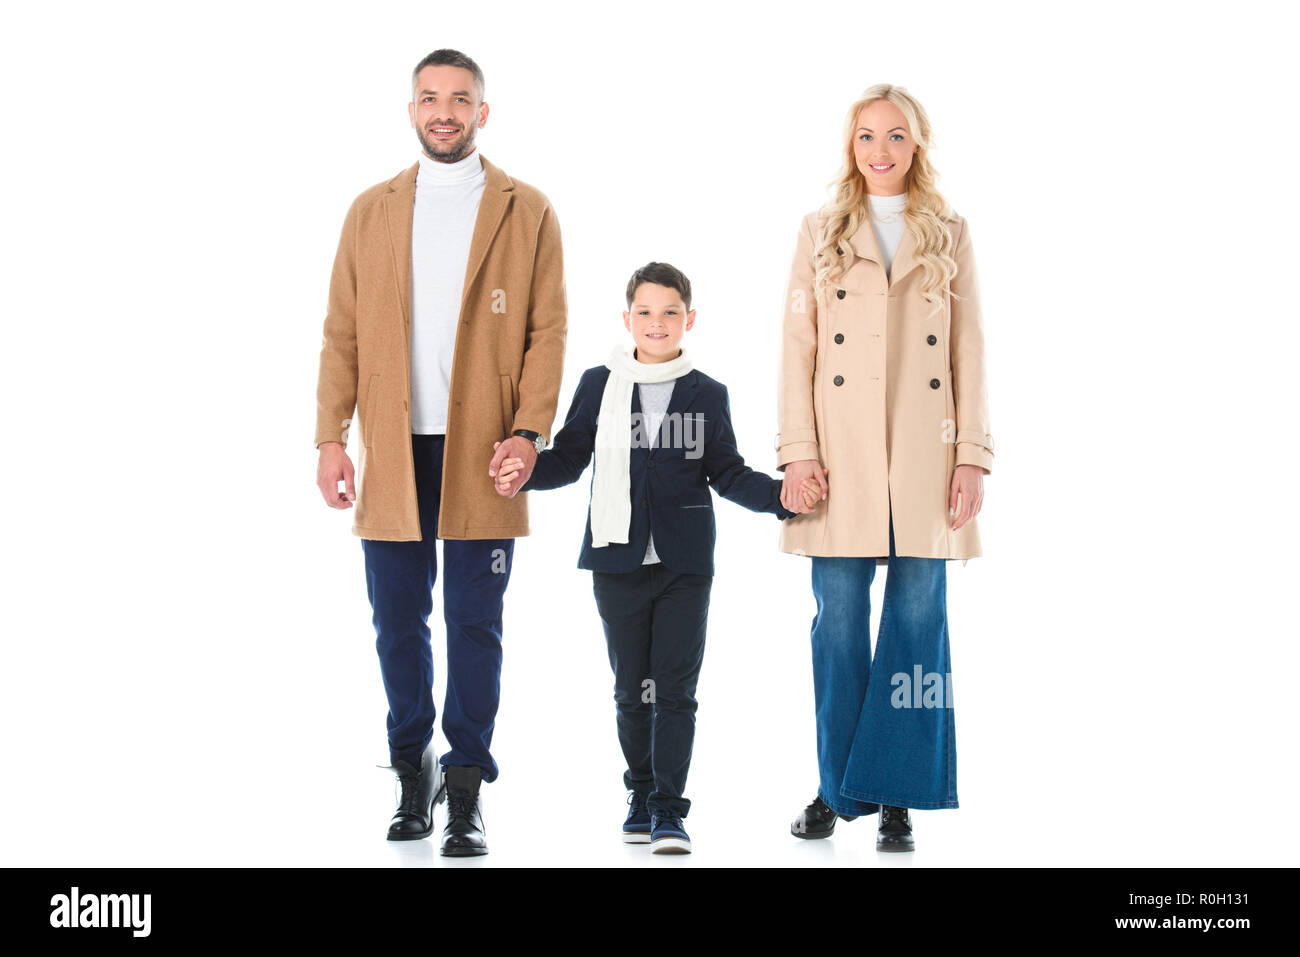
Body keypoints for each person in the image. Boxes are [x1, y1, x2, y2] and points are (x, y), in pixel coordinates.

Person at [313, 49, 567, 856]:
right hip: (391, 450)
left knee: (474, 621)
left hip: (485, 450)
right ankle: (410, 768)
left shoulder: (527, 211)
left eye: (460, 99)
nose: (444, 111)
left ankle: (465, 785)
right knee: (396, 622)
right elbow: (341, 334)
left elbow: (548, 331)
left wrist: (529, 432)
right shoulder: (370, 211)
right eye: (430, 98)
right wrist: (330, 436)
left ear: (483, 112)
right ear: (412, 110)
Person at [492, 263, 823, 854]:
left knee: (675, 689)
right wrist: (525, 473)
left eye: (670, 311)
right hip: (616, 558)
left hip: (683, 565)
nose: (657, 322)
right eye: (644, 312)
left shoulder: (707, 391)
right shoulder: (598, 383)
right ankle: (640, 793)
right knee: (630, 688)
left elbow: (725, 471)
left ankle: (670, 810)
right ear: (627, 320)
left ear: (688, 320)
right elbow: (569, 459)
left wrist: (780, 498)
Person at [777, 84, 993, 851]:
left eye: (895, 135)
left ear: (918, 145)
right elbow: (798, 348)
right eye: (866, 136)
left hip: (928, 458)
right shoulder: (820, 230)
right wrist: (796, 450)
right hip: (838, 456)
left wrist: (973, 456)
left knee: (915, 621)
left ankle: (895, 792)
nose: (880, 150)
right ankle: (840, 790)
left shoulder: (950, 232)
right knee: (836, 626)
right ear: (850, 147)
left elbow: (968, 348)